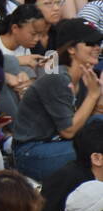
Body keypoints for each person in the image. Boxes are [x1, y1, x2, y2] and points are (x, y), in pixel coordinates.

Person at [10, 18, 103, 180]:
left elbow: (91, 117)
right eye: (90, 43)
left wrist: (97, 98)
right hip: (32, 152)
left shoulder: (84, 77)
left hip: (57, 145)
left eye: (98, 43)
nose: (97, 47)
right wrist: (93, 95)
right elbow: (68, 130)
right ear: (72, 49)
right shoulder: (57, 78)